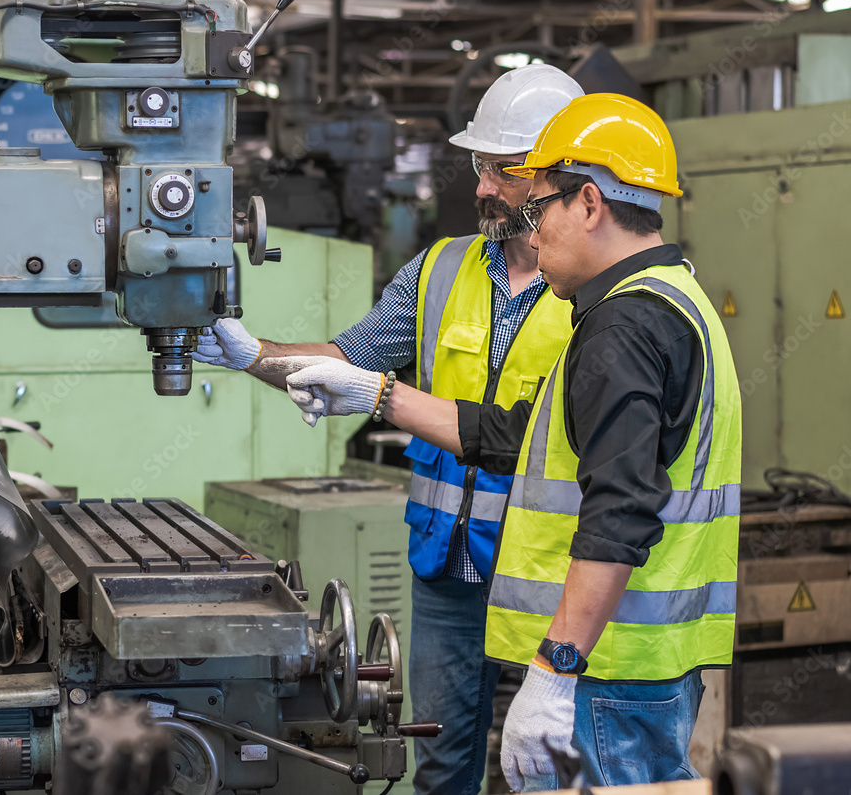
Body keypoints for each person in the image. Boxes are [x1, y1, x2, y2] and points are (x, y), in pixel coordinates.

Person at [267, 93, 742, 791]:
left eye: (539, 207)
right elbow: (521, 437)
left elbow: (618, 511)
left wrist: (554, 669)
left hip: (609, 668)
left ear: (589, 203)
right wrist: (377, 393)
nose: (532, 232)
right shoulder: (672, 298)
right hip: (635, 659)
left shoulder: (623, 329)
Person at [193, 64, 584, 794]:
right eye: (479, 166)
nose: (481, 186)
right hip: (448, 573)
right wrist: (254, 355)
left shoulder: (596, 294)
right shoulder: (440, 269)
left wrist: (383, 397)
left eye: (502, 171)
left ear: (560, 174)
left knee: (555, 769)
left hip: (550, 575)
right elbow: (348, 361)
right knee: (440, 764)